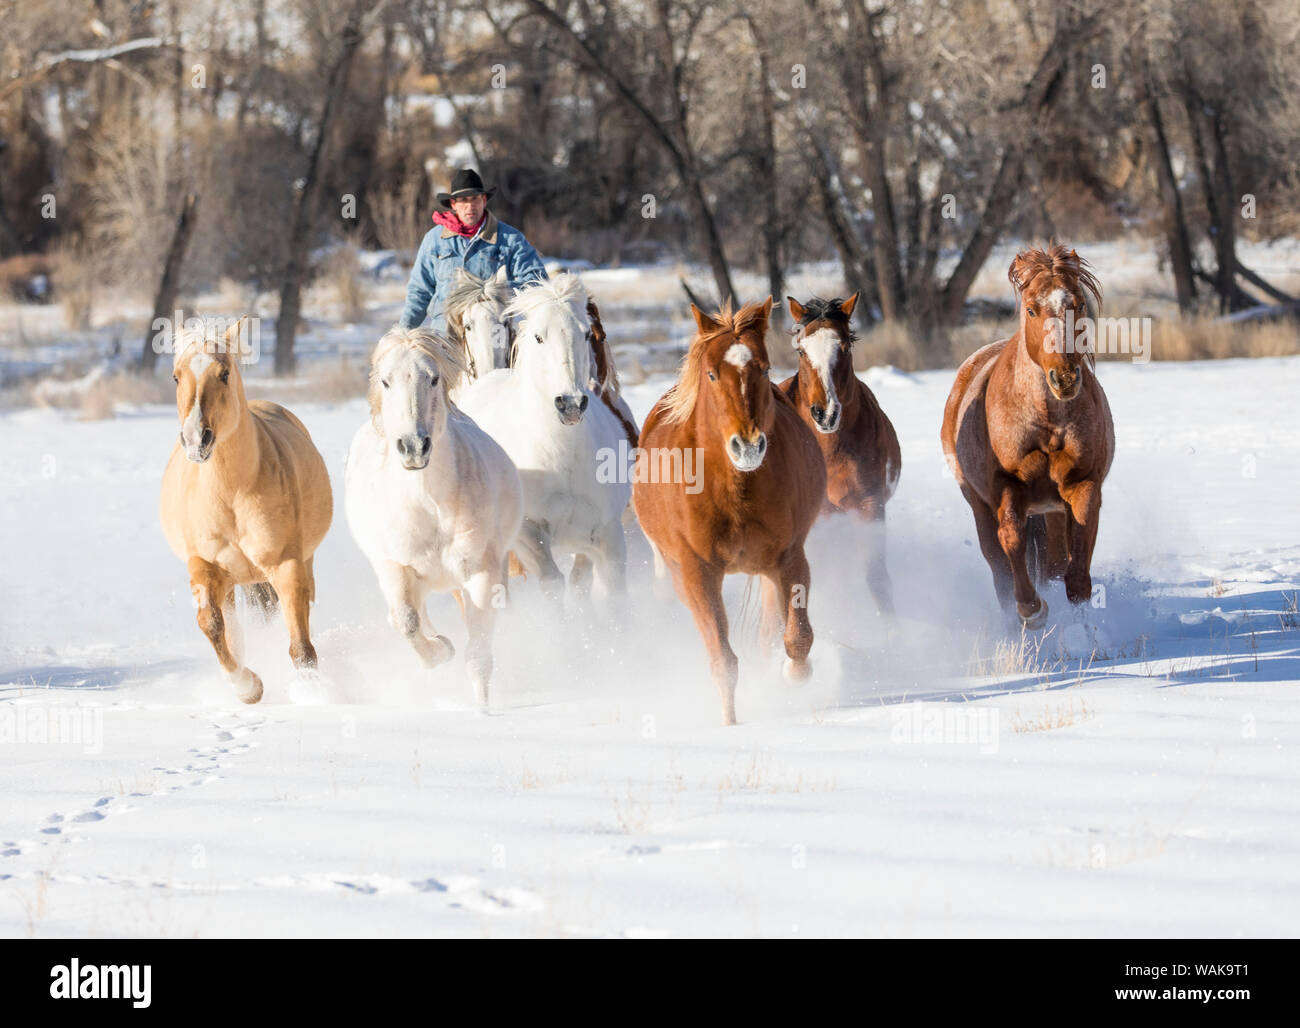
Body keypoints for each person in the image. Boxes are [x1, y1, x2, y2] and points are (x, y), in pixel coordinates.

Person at [399, 168, 547, 333]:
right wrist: (402, 331)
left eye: (475, 198)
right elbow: (419, 291)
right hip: (445, 335)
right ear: (453, 204)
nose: (470, 206)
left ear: (484, 200)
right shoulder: (434, 240)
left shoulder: (510, 239)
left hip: (491, 335)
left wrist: (499, 292)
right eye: (463, 200)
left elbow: (536, 283)